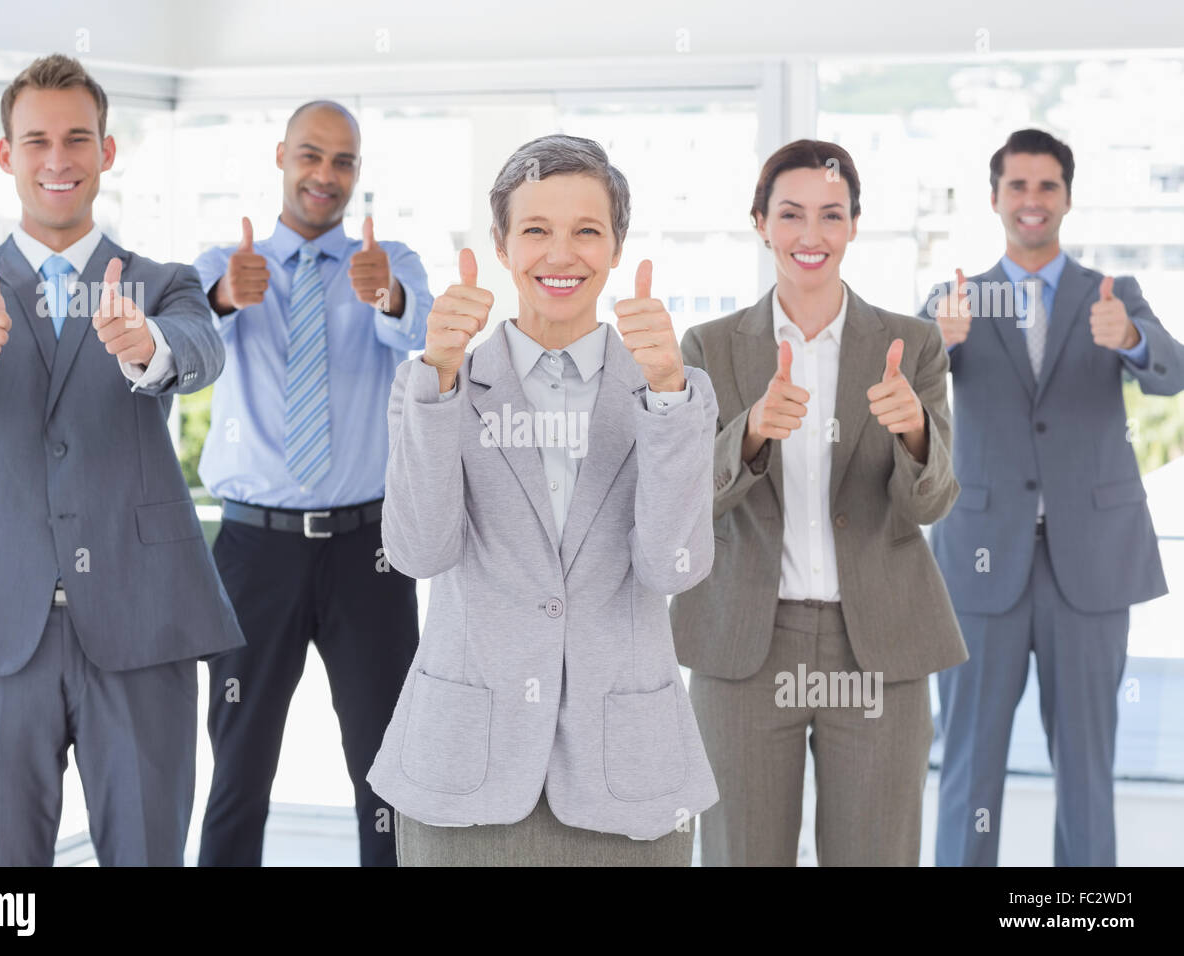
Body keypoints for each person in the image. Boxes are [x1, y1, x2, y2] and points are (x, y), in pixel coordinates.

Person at [0, 54, 243, 866]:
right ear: (7, 155)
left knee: (149, 852)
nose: (58, 159)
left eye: (77, 139)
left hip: (141, 621)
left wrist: (146, 344)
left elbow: (199, 348)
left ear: (107, 152)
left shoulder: (162, 284)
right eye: (37, 140)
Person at [366, 134, 720, 866]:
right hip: (465, 769)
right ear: (501, 246)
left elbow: (671, 567)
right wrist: (438, 381)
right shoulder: (436, 382)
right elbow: (419, 552)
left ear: (617, 247)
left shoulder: (673, 392)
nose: (561, 255)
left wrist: (664, 397)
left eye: (586, 231)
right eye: (536, 231)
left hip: (627, 778)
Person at [669, 139, 967, 866]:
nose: (811, 236)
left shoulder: (913, 344)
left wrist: (916, 431)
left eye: (831, 215)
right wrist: (749, 436)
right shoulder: (708, 347)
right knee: (741, 854)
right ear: (760, 222)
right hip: (743, 644)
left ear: (854, 226)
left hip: (879, 646)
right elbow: (680, 500)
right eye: (792, 214)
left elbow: (931, 502)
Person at [924, 128, 1184, 867]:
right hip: (980, 564)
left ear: (1066, 197)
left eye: (1046, 186)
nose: (1031, 201)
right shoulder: (957, 298)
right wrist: (936, 341)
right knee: (970, 762)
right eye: (1018, 186)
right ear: (996, 198)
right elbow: (903, 380)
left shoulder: (1114, 294)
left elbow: (1173, 372)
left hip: (1092, 565)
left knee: (1086, 765)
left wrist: (1131, 336)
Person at [192, 100, 431, 867]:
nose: (325, 175)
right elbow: (181, 346)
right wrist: (226, 297)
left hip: (370, 552)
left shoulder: (392, 263)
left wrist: (386, 295)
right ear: (280, 157)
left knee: (389, 768)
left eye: (343, 161)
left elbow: (427, 337)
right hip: (252, 553)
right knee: (238, 769)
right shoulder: (219, 268)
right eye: (310, 155)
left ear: (357, 173)